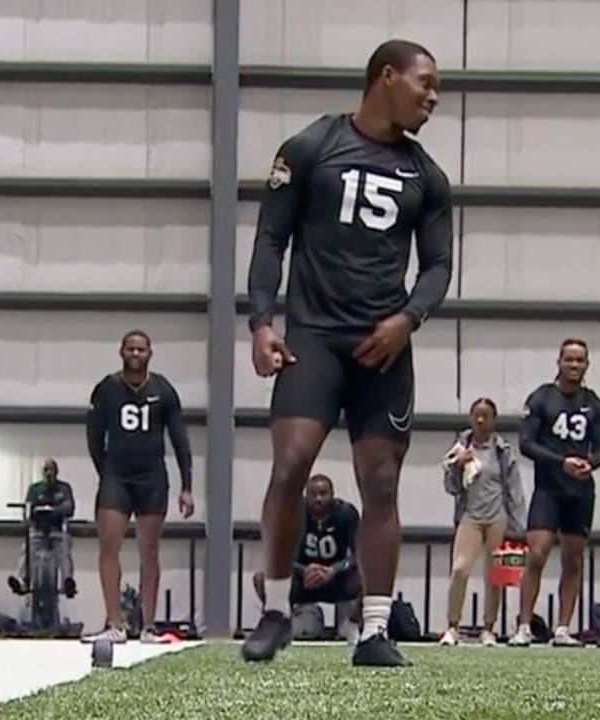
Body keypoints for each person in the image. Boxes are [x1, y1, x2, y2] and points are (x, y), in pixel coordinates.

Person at [241, 38, 453, 667]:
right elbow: (269, 239)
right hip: (313, 339)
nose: (433, 98)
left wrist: (407, 320)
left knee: (381, 482)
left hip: (382, 350)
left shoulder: (427, 176)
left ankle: (375, 630)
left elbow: (439, 265)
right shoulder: (310, 148)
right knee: (291, 466)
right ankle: (276, 609)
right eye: (425, 83)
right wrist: (260, 322)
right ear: (386, 78)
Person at [82, 329, 194, 645]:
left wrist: (187, 485)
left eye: (141, 349)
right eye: (130, 348)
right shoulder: (107, 389)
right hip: (117, 476)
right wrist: (105, 471)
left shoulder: (163, 390)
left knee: (150, 550)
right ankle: (115, 624)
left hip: (152, 477)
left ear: (149, 353)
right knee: (109, 546)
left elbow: (180, 439)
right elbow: (93, 435)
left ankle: (148, 626)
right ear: (121, 352)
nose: (135, 354)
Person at [507, 339, 600, 648]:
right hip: (549, 488)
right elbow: (526, 443)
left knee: (573, 560)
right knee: (536, 554)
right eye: (569, 360)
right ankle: (524, 624)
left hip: (580, 491)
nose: (574, 365)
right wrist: (560, 463)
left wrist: (589, 465)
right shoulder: (542, 398)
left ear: (586, 364)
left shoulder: (594, 404)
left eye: (580, 361)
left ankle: (563, 627)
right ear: (559, 362)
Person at [438, 398, 526, 647]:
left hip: (497, 516)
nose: (480, 420)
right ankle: (452, 626)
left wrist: (519, 526)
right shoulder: (460, 447)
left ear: (493, 420)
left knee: (495, 575)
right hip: (470, 516)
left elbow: (514, 489)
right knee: (460, 569)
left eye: (485, 416)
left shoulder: (502, 450)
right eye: (476, 415)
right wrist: (458, 466)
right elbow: (450, 488)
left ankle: (489, 627)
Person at [253, 475, 362, 643]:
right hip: (303, 578)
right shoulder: (294, 512)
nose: (318, 498)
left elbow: (360, 553)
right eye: (313, 494)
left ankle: (353, 623)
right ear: (305, 495)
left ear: (332, 494)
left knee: (367, 576)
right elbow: (277, 550)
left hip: (336, 577)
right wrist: (303, 569)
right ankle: (282, 620)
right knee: (261, 577)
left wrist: (334, 569)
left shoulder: (346, 513)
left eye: (323, 493)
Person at [9, 458, 77, 600]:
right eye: (46, 469)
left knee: (65, 551)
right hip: (38, 532)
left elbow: (69, 507)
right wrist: (35, 511)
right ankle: (23, 581)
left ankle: (67, 582)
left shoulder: (64, 488)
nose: (48, 473)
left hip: (57, 531)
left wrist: (52, 510)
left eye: (51, 469)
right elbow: (27, 509)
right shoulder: (34, 489)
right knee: (26, 551)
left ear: (56, 471)